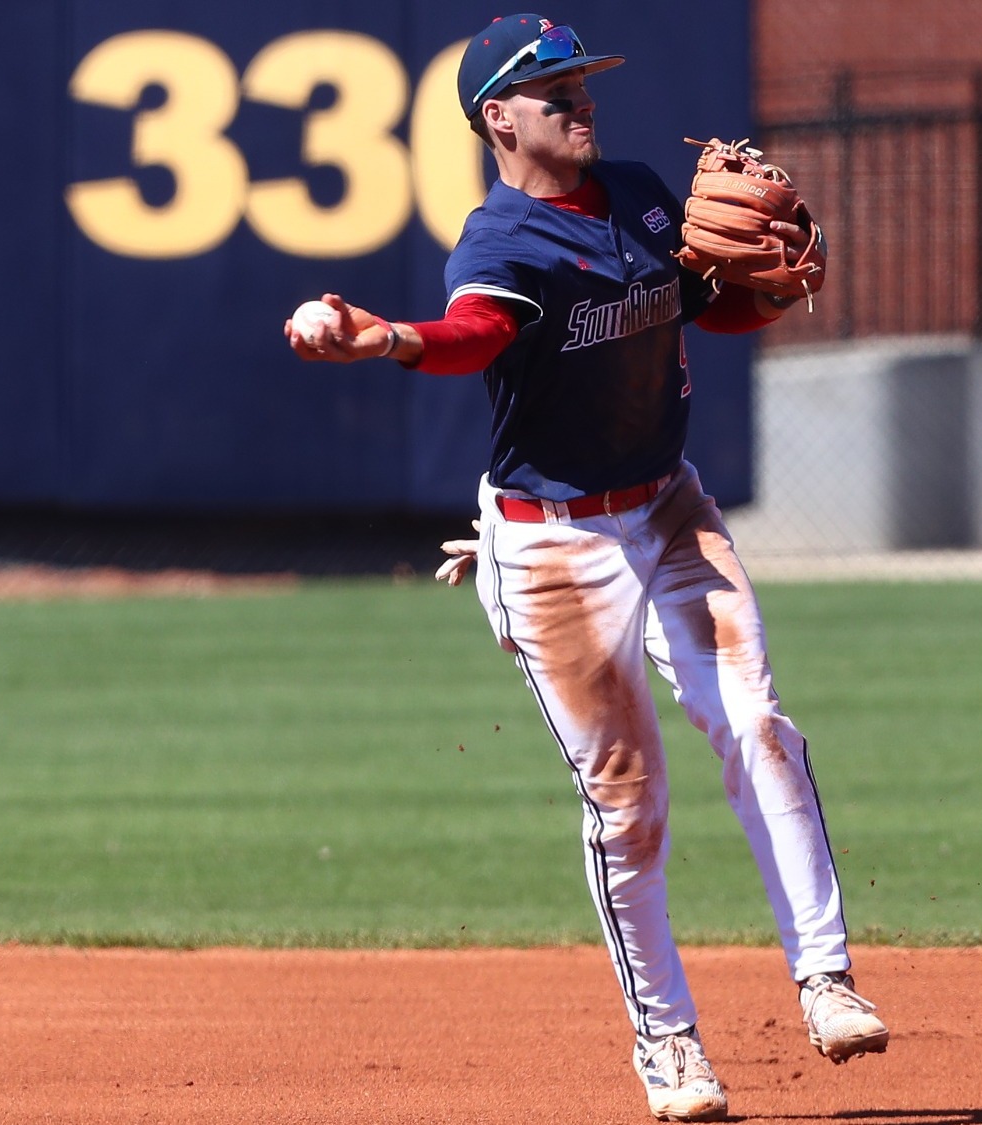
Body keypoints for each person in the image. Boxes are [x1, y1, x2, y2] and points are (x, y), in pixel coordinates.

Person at [284, 14, 886, 1121]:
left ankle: (824, 976)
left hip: (665, 507)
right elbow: (472, 334)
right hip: (552, 541)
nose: (575, 99)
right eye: (546, 87)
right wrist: (385, 338)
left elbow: (709, 310)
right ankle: (667, 1045)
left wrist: (766, 280)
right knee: (626, 802)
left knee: (755, 723)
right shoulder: (501, 241)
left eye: (577, 80)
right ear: (494, 118)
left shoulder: (646, 194)